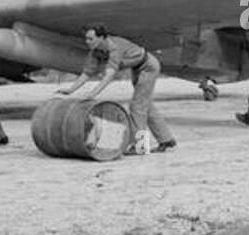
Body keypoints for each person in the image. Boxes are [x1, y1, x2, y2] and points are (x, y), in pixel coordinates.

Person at [57, 26, 175, 154]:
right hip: (137, 68)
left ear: (102, 38)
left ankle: (140, 147)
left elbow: (109, 76)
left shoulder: (114, 47)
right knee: (145, 105)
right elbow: (87, 73)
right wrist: (70, 90)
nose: (87, 42)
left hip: (148, 67)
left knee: (137, 107)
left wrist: (92, 94)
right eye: (86, 39)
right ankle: (166, 139)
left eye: (91, 39)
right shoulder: (95, 51)